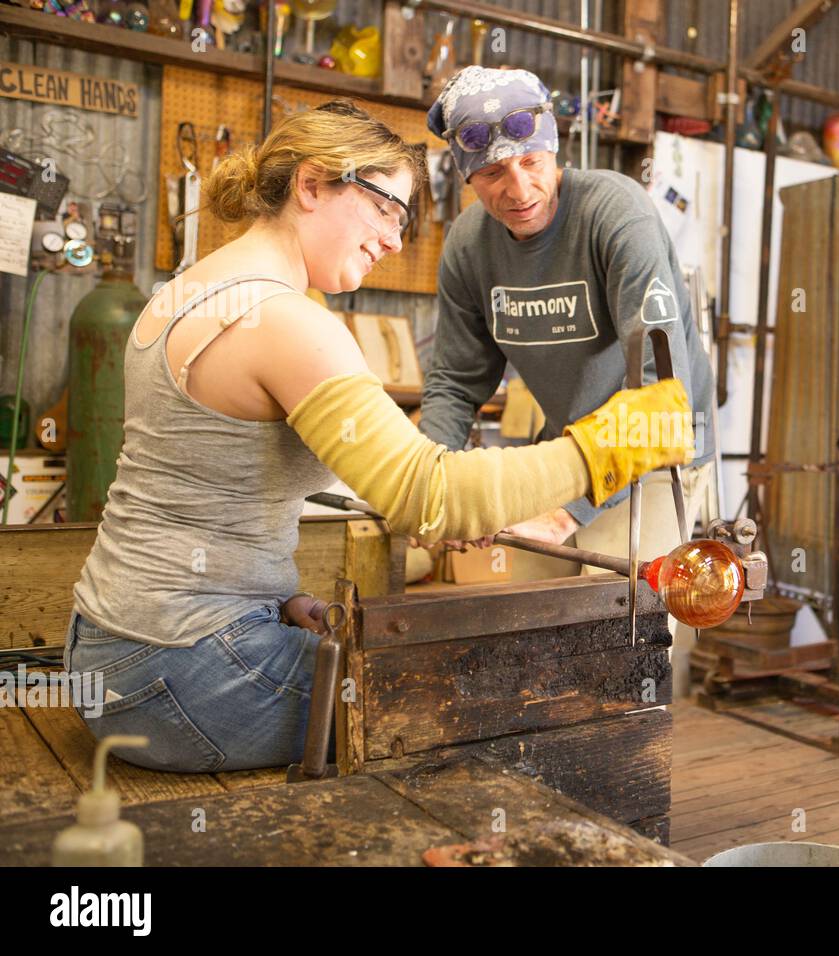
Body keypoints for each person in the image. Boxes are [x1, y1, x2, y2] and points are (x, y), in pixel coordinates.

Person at [63, 100, 693, 773]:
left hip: (110, 653)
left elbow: (197, 492)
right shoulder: (283, 321)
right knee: (509, 701)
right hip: (189, 674)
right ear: (310, 186)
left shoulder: (183, 293)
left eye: (403, 219)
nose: (395, 239)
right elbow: (433, 495)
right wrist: (612, 444)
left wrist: (276, 601)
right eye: (385, 208)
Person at [422, 68, 717, 695]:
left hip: (657, 450)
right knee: (532, 638)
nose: (519, 188)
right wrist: (433, 482)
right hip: (569, 443)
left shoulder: (616, 213)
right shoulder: (469, 247)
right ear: (467, 177)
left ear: (556, 149)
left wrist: (565, 513)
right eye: (493, 173)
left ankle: (623, 778)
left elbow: (662, 397)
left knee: (624, 645)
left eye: (531, 161)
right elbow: (453, 379)